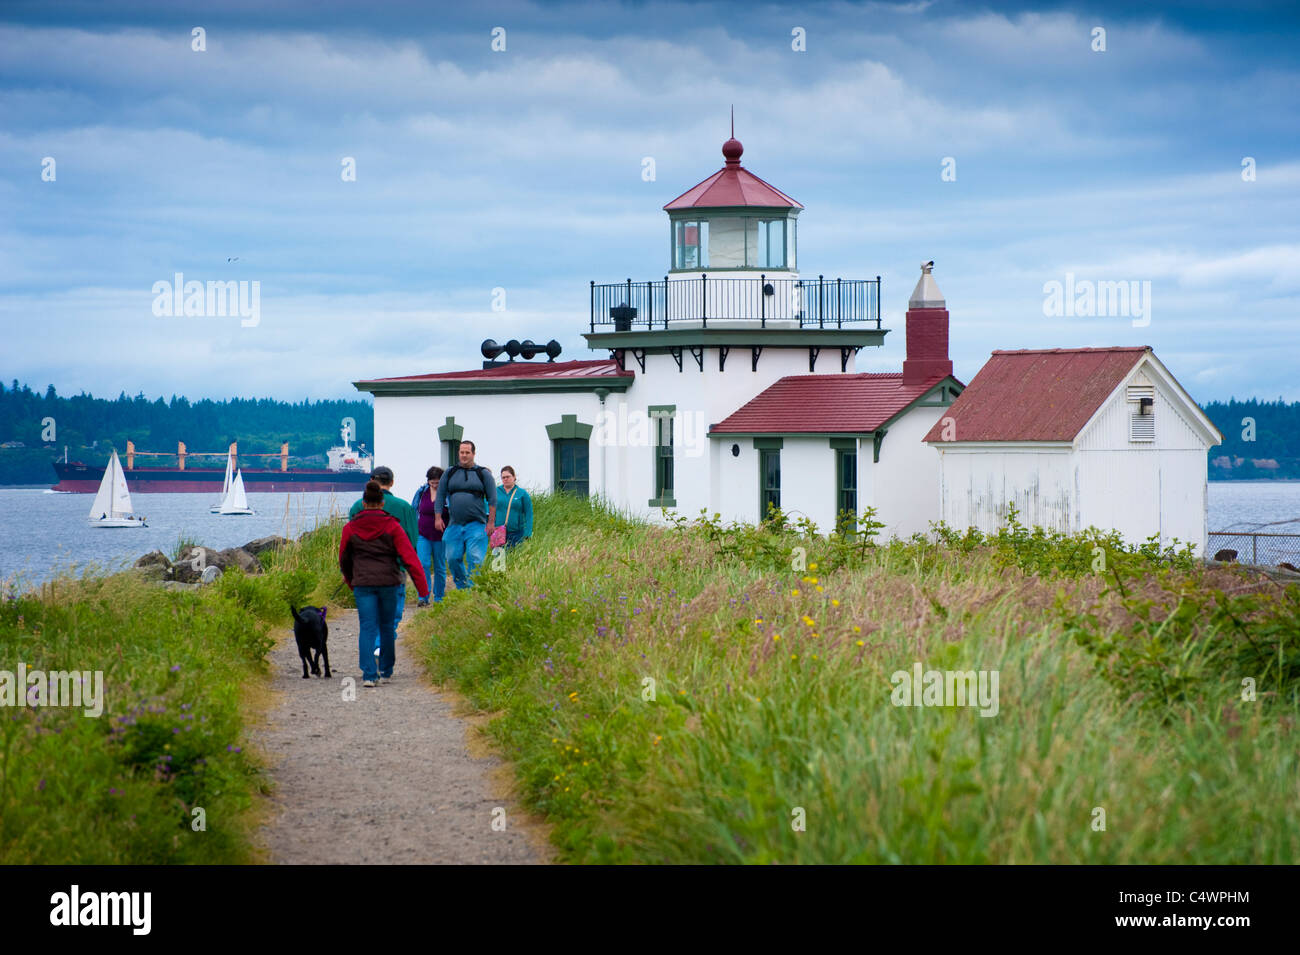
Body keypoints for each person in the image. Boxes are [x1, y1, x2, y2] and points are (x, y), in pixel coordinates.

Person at [338, 480, 428, 686]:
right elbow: (410, 559)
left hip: (363, 584)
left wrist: (350, 580)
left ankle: (369, 675)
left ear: (363, 503)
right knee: (387, 627)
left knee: (367, 627)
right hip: (389, 582)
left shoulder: (350, 528)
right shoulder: (393, 526)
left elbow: (344, 559)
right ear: (381, 504)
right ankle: (386, 670)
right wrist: (423, 589)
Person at [349, 466, 418, 656]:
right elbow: (411, 541)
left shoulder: (357, 506)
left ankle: (372, 650)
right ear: (392, 482)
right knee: (391, 615)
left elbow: (350, 542)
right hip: (394, 570)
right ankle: (380, 647)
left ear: (370, 482)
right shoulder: (405, 507)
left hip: (363, 570)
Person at [434, 440, 495, 590]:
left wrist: (491, 523)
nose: (464, 455)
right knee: (452, 558)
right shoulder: (450, 472)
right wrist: (438, 517)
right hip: (454, 524)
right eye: (462, 452)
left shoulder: (483, 474)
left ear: (473, 454)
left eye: (467, 452)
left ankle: (474, 591)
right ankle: (463, 588)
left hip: (476, 524)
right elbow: (440, 495)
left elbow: (493, 499)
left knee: (474, 558)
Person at [410, 466, 450, 605]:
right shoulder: (422, 492)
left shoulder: (447, 494)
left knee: (439, 566)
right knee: (423, 564)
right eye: (432, 482)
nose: (434, 485)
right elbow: (413, 509)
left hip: (441, 536)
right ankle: (423, 596)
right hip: (423, 534)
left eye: (437, 482)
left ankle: (439, 597)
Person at [496, 465, 533, 549]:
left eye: (508, 477)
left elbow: (529, 514)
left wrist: (528, 532)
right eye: (503, 477)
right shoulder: (495, 492)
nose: (505, 479)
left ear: (514, 477)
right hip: (499, 532)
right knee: (499, 559)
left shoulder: (522, 493)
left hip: (516, 533)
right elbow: (489, 509)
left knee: (515, 558)